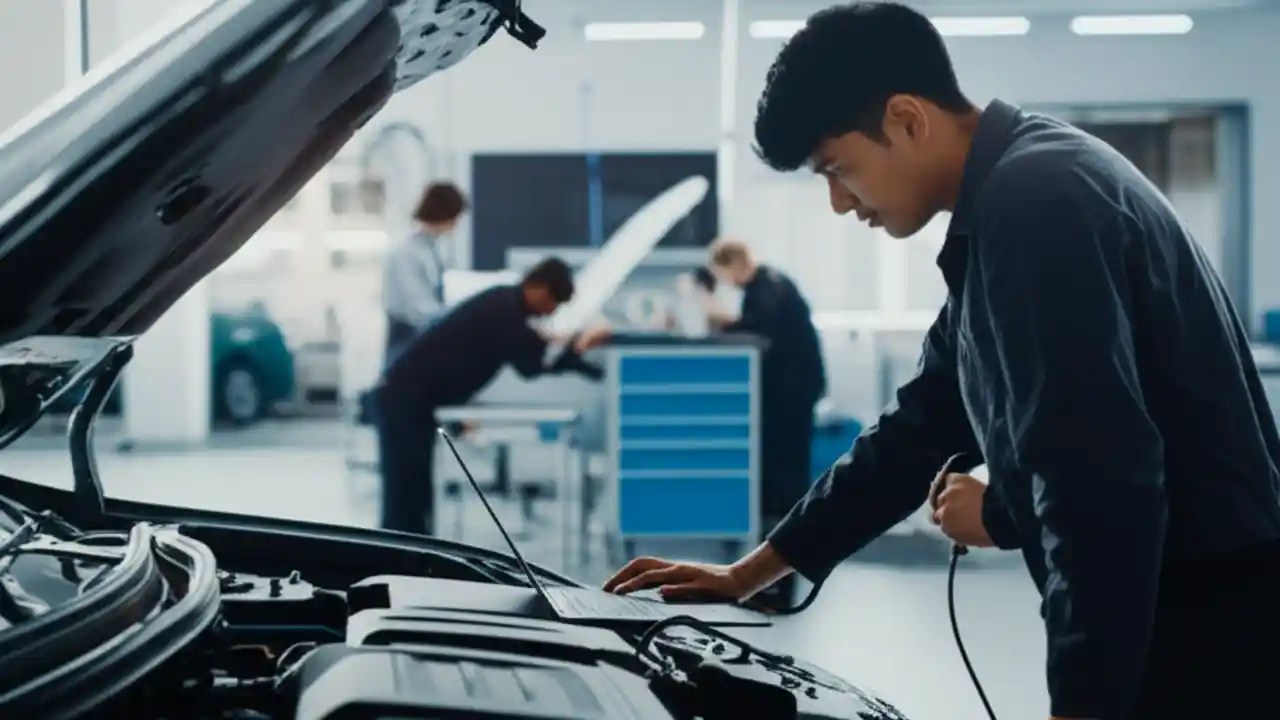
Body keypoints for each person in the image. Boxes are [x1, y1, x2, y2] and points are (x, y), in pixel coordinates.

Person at [602, 4, 1280, 719]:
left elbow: (1102, 483)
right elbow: (920, 427)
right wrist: (752, 571)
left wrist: (1007, 518)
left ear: (905, 119)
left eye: (838, 169)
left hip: (1202, 617)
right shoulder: (1009, 199)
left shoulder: (1037, 202)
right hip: (1176, 598)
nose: (837, 203)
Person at [375, 258, 606, 535]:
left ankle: (411, 555)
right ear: (541, 289)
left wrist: (564, 350)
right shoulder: (505, 310)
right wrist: (581, 360)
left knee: (414, 490)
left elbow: (529, 350)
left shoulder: (504, 305)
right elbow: (529, 366)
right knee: (405, 491)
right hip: (403, 397)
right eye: (552, 303)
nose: (549, 312)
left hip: (412, 399)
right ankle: (399, 560)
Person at [705, 238, 827, 608]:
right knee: (781, 481)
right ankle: (774, 576)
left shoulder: (768, 287)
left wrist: (722, 324)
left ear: (732, 263)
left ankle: (779, 582)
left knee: (784, 483)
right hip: (790, 395)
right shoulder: (769, 285)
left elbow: (760, 334)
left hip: (790, 398)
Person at [381, 181, 467, 367]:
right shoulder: (407, 251)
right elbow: (418, 308)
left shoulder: (431, 247)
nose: (457, 224)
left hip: (421, 331)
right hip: (408, 333)